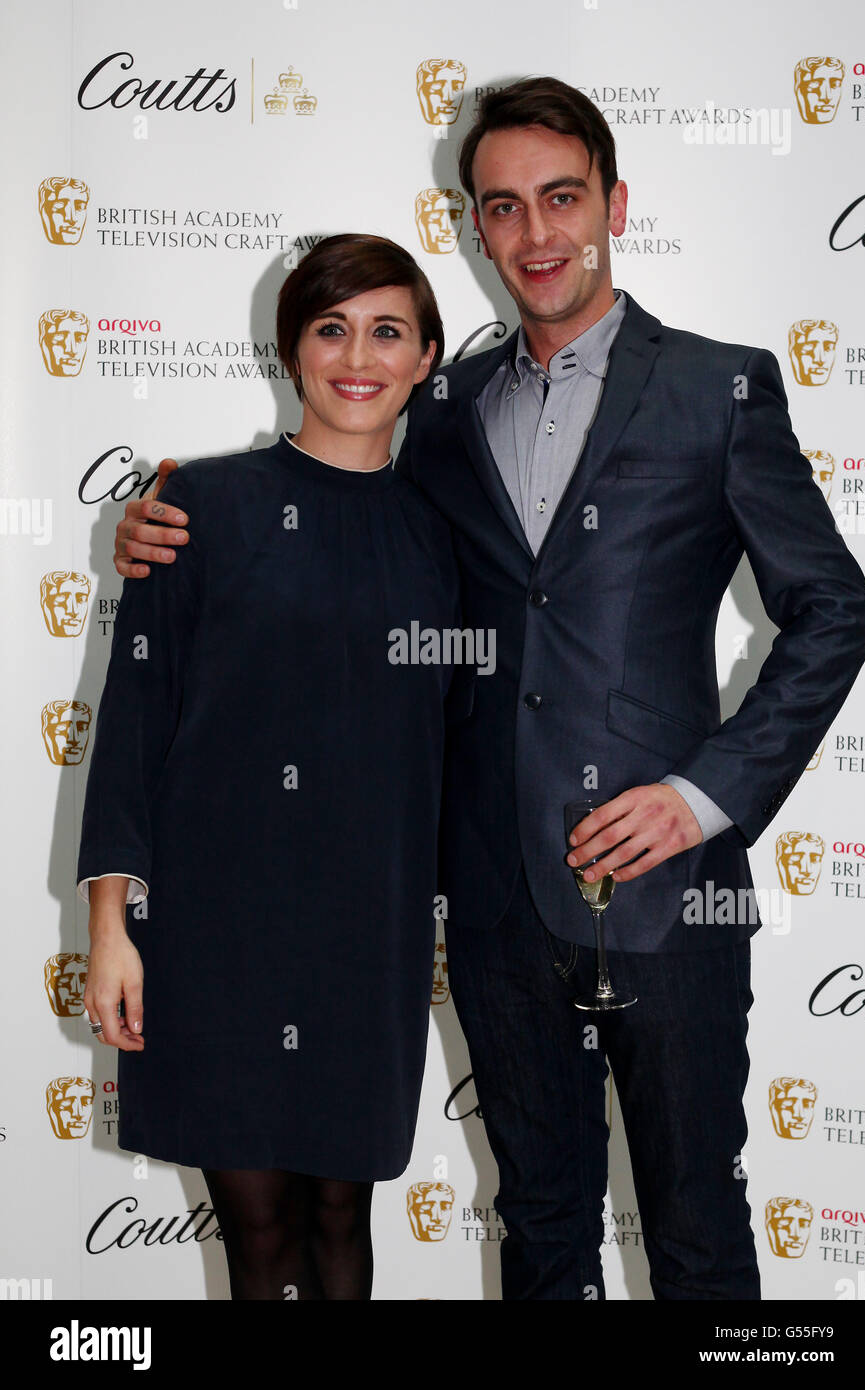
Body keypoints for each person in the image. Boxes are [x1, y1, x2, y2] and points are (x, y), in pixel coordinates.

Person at [111, 79, 865, 1301]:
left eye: (560, 198)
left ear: (613, 204)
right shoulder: (444, 410)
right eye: (503, 207)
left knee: (693, 1227)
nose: (534, 232)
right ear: (475, 228)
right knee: (540, 1226)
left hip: (667, 896)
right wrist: (171, 527)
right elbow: (335, 511)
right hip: (491, 905)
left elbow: (833, 608)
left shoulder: (716, 389)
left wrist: (701, 796)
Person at [77, 233, 458, 1301]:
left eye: (387, 331)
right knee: (257, 1233)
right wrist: (110, 928)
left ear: (426, 359)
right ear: (291, 351)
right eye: (331, 329)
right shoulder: (198, 507)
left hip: (369, 931)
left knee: (342, 1215)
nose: (358, 357)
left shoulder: (448, 537)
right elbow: (135, 724)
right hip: (216, 927)